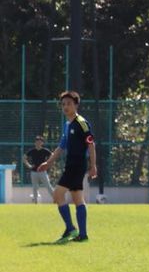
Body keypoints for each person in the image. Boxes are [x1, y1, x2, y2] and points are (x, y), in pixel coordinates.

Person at [37, 91, 98, 242]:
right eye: (63, 104)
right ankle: (82, 235)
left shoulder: (82, 123)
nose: (66, 107)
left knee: (57, 195)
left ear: (76, 105)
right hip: (72, 164)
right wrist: (48, 162)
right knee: (78, 198)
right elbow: (61, 147)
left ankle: (71, 228)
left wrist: (93, 165)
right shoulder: (67, 125)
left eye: (69, 103)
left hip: (76, 165)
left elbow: (91, 145)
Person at [25, 135, 54, 203]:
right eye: (37, 141)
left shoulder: (45, 151)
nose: (38, 143)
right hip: (34, 172)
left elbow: (52, 155)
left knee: (48, 186)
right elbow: (24, 158)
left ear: (42, 143)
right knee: (35, 188)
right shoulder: (32, 151)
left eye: (40, 142)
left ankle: (56, 199)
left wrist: (48, 164)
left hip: (43, 171)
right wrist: (29, 165)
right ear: (35, 143)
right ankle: (35, 202)